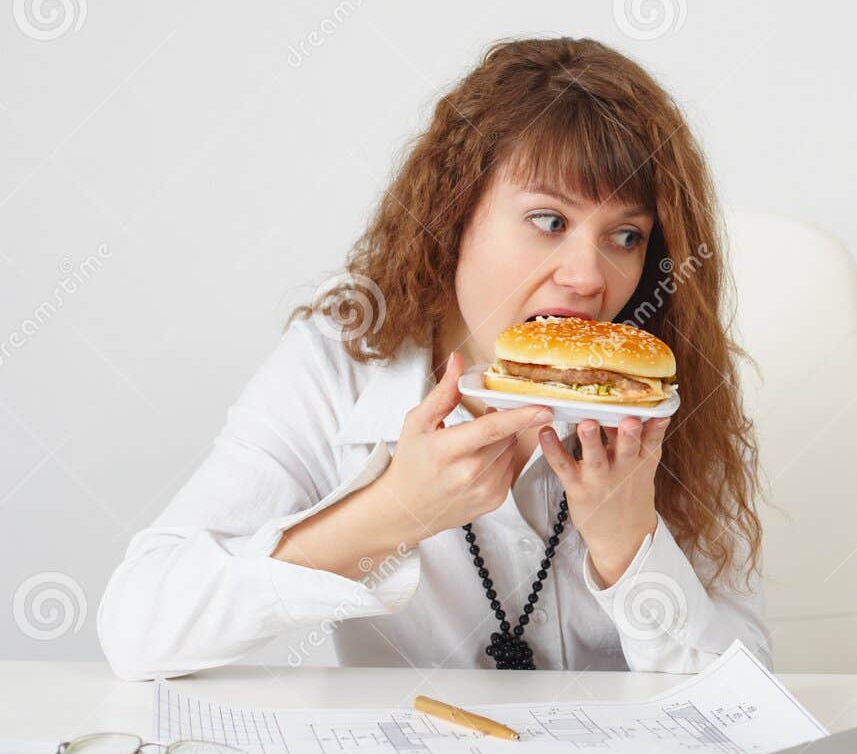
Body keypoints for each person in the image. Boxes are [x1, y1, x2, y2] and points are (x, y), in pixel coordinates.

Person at [98, 38, 768, 678]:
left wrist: (632, 551)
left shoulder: (657, 391)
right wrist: (393, 511)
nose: (589, 277)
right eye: (550, 221)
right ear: (455, 212)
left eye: (625, 236)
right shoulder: (340, 364)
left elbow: (747, 708)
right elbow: (139, 628)